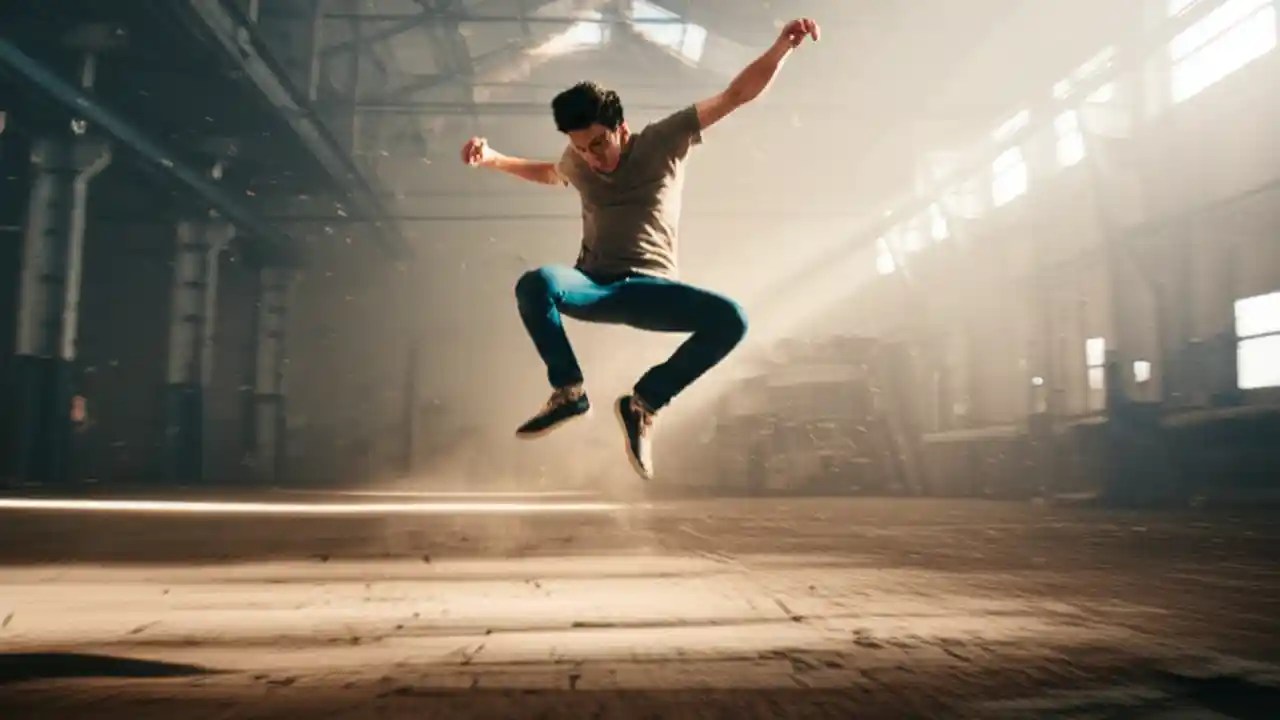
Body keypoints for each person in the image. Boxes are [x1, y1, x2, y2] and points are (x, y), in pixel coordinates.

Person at [461, 18, 821, 480]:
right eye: (581, 148)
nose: (592, 157)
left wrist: (782, 47)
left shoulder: (663, 140)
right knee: (536, 284)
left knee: (732, 319)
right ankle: (569, 392)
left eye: (599, 143)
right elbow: (550, 173)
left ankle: (644, 403)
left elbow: (735, 95)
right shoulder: (578, 160)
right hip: (593, 285)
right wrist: (493, 159)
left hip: (651, 289)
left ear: (623, 129)